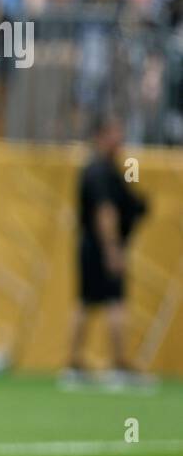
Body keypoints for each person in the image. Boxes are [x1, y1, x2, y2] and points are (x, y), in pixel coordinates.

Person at [64, 115, 148, 385]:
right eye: (114, 133)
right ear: (100, 136)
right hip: (101, 246)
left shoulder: (104, 168)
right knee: (114, 302)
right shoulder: (100, 171)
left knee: (86, 301)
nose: (120, 139)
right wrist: (112, 249)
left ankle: (74, 364)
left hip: (91, 245)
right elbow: (106, 212)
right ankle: (118, 364)